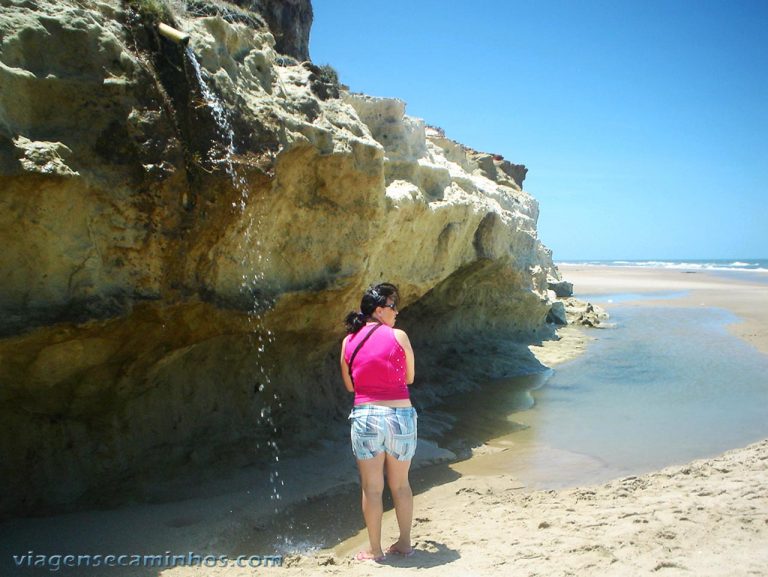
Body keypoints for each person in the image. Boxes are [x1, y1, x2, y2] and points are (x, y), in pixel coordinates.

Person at [340, 283, 417, 562]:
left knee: (372, 488)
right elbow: (408, 378)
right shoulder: (399, 336)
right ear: (379, 310)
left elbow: (350, 385)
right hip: (399, 415)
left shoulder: (348, 341)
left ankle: (375, 550)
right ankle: (405, 544)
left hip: (366, 415)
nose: (397, 312)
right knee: (401, 485)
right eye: (393, 306)